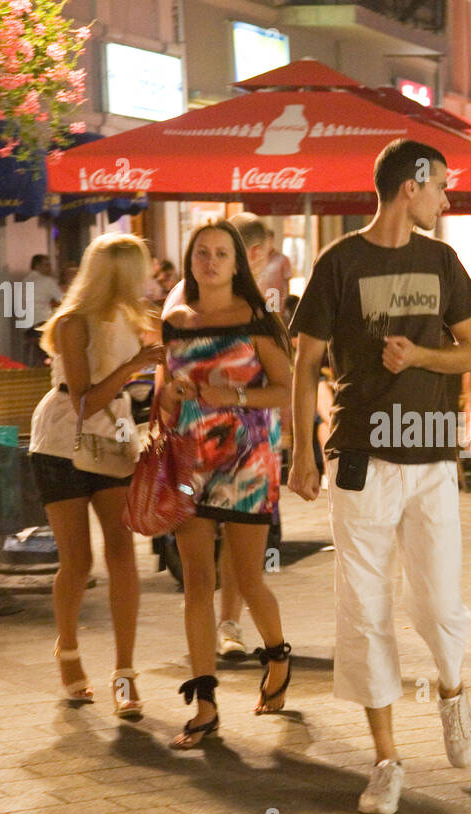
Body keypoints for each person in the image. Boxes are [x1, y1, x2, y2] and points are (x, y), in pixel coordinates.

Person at [289, 138, 471, 814]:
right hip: (359, 458)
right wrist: (302, 449)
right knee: (363, 608)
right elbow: (306, 358)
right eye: (442, 188)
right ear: (413, 186)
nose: (447, 198)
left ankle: (453, 691)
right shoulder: (339, 261)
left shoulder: (443, 259)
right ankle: (386, 761)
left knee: (436, 601)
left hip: (431, 457)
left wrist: (419, 355)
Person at [158, 219, 295, 748]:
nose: (210, 261)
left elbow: (283, 390)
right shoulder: (174, 320)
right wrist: (172, 393)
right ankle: (206, 705)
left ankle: (278, 656)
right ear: (190, 262)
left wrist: (233, 398)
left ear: (238, 263)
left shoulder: (257, 319)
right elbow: (163, 391)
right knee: (195, 580)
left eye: (220, 253)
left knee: (247, 575)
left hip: (247, 461)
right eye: (201, 253)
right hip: (189, 458)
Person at [28, 234, 163, 720]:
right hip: (63, 439)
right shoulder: (72, 322)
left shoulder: (135, 318)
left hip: (114, 436)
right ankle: (67, 650)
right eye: (138, 272)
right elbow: (85, 400)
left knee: (123, 548)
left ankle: (125, 673)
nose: (145, 280)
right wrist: (133, 367)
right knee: (78, 561)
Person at [24, 255, 64, 365]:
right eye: (47, 265)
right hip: (42, 325)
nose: (50, 268)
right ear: (37, 266)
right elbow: (63, 300)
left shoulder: (24, 281)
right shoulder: (46, 281)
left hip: (27, 329)